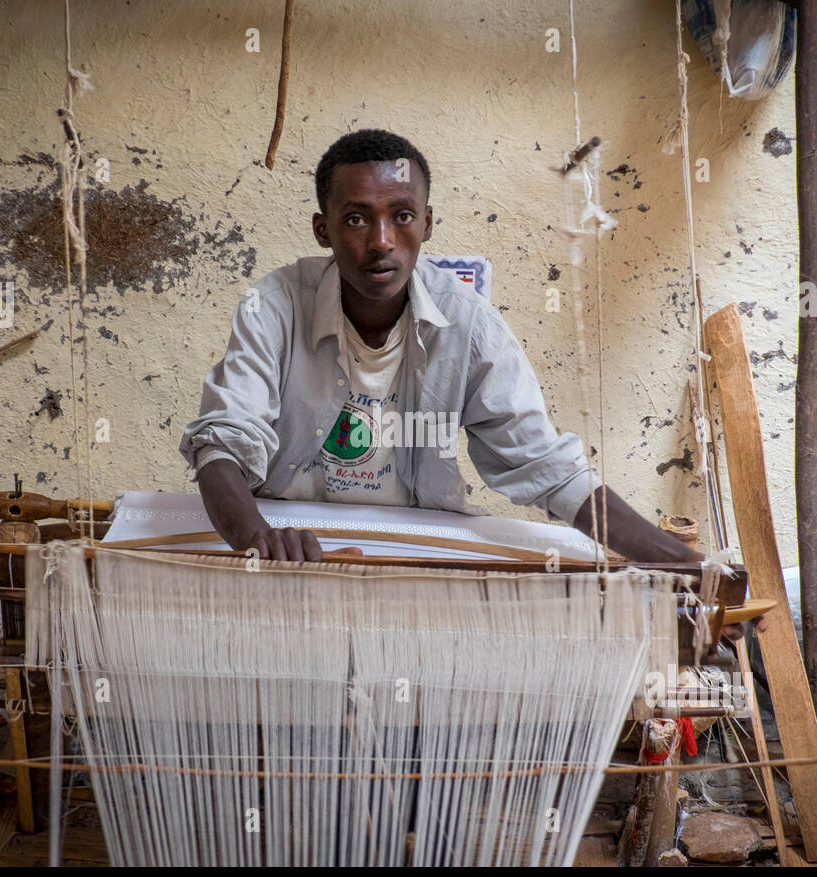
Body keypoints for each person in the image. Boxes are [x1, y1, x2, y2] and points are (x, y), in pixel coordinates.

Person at [180, 128, 703, 567]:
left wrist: (682, 565)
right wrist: (257, 536)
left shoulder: (468, 324)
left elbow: (548, 466)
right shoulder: (272, 307)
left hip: (410, 546)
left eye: (402, 216)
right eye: (357, 219)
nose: (382, 240)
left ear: (427, 224)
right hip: (289, 540)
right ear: (324, 230)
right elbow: (224, 443)